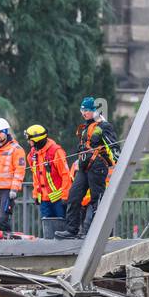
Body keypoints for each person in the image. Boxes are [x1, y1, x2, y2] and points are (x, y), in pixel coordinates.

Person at [56, 97, 118, 240]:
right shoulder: (85, 127)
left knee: (97, 200)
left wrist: (118, 161)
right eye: (82, 110)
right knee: (74, 196)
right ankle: (72, 230)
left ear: (95, 111)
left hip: (98, 167)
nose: (84, 113)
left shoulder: (103, 126)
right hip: (84, 168)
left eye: (87, 110)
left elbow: (114, 145)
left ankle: (101, 232)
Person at [24, 124, 71, 237]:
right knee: (48, 230)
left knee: (61, 228)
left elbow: (66, 175)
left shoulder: (56, 151)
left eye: (30, 140)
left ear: (37, 140)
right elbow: (36, 175)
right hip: (44, 200)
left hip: (59, 199)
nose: (29, 142)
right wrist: (36, 194)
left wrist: (65, 196)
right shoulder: (32, 155)